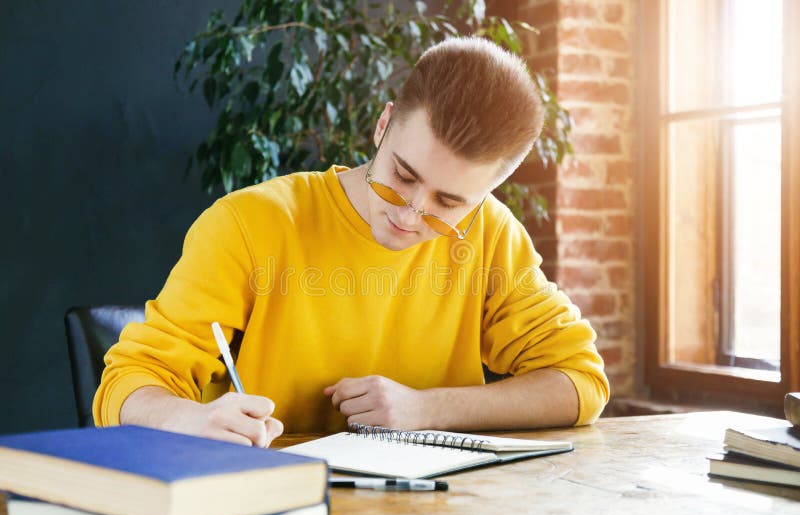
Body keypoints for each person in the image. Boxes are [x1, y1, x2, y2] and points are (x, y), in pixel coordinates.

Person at [93, 36, 609, 448]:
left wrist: (428, 410)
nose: (411, 215)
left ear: (488, 191)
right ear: (383, 125)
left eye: (448, 203)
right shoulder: (249, 223)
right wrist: (189, 419)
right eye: (402, 176)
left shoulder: (491, 233)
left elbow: (579, 381)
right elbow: (127, 384)